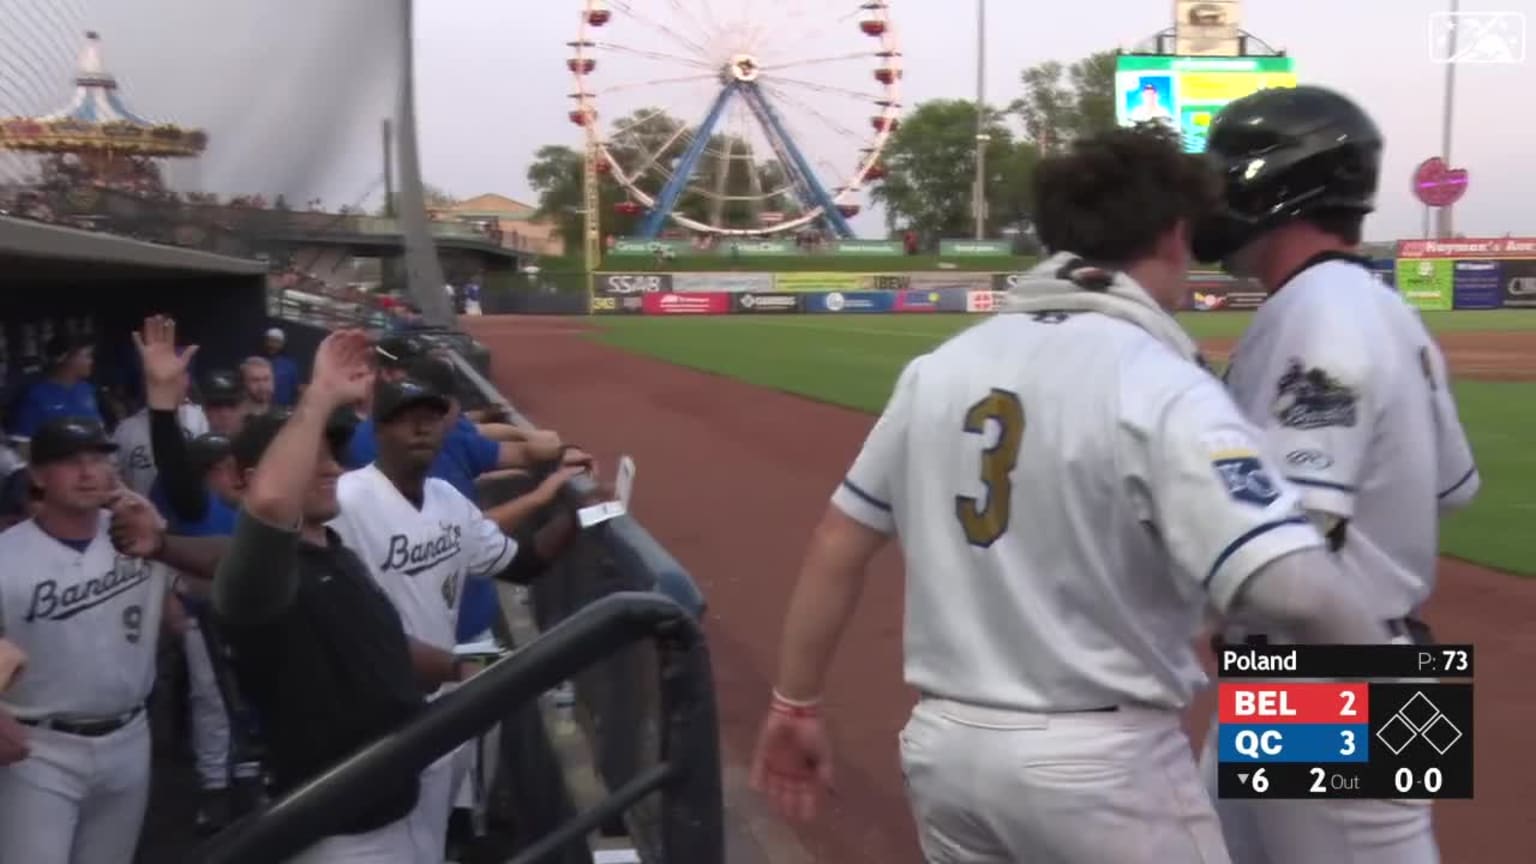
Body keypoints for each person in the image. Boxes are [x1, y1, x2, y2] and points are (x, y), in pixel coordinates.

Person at [747, 127, 1394, 863]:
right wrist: (1395, 684)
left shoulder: (940, 368)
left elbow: (839, 541)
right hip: (1103, 769)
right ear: (1176, 234)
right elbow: (1298, 591)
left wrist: (793, 703)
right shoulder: (1160, 380)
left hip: (948, 753)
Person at [1192, 85, 1479, 864]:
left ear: (1277, 183)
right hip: (1330, 661)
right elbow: (1455, 486)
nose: (1214, 196)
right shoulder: (1369, 304)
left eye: (1227, 175)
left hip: (1335, 676)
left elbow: (1292, 528)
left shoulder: (1320, 311)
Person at [113, 330, 438, 861]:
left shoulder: (334, 553)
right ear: (245, 479)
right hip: (338, 834)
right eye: (314, 455)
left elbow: (383, 651)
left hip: (401, 808)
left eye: (333, 453)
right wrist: (317, 395)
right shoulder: (259, 586)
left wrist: (463, 668)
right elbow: (266, 509)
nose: (333, 466)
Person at [326, 367, 592, 858]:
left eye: (430, 416)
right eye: (406, 419)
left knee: (431, 835)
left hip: (443, 702)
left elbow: (522, 563)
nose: (422, 427)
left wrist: (580, 512)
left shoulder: (449, 500)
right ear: (379, 431)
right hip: (376, 712)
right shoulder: (347, 500)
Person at [0, 417, 219, 864]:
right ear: (38, 476)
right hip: (41, 748)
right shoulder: (7, 556)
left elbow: (226, 581)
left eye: (97, 459)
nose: (87, 472)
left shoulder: (134, 531)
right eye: (69, 462)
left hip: (130, 736)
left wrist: (161, 540)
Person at [110, 350, 210, 498]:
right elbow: (111, 475)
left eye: (176, 377)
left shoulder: (199, 418)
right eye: (160, 378)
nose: (168, 384)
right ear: (147, 382)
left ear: (187, 380)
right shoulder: (126, 430)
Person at [7, 336, 100, 441]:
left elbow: (99, 432)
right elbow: (23, 443)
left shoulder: (88, 390)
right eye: (87, 356)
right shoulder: (36, 397)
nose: (91, 361)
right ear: (64, 358)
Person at [263, 328, 301, 407]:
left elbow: (295, 391)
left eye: (276, 342)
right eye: (270, 341)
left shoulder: (290, 366)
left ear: (282, 344)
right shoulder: (255, 363)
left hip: (281, 410)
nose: (272, 345)